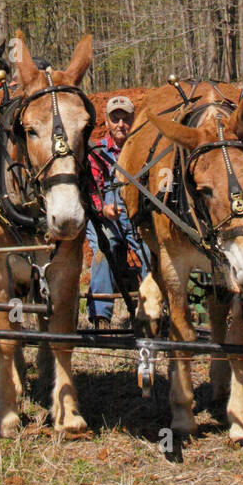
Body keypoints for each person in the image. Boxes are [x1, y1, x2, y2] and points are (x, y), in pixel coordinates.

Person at [86, 95, 149, 327]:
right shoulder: (97, 151)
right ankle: (101, 316)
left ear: (134, 120)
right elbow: (92, 187)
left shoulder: (143, 151)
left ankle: (151, 311)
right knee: (106, 249)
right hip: (106, 218)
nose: (121, 124)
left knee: (150, 253)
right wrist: (103, 207)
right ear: (107, 121)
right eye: (115, 119)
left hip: (137, 216)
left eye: (126, 118)